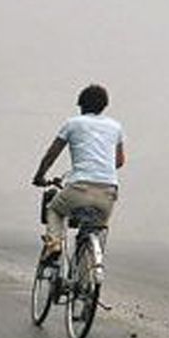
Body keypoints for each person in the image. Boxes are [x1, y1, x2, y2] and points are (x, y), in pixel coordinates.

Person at [31, 84, 125, 260]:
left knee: (54, 209)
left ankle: (54, 243)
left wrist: (39, 176)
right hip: (108, 192)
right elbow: (119, 161)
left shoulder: (73, 123)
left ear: (81, 105)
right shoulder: (115, 127)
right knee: (94, 228)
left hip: (79, 188)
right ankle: (86, 269)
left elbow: (52, 154)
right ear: (104, 106)